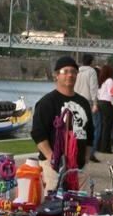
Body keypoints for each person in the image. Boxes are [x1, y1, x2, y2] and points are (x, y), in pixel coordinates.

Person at [30, 55, 93, 191]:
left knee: (79, 207)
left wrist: (86, 157)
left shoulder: (83, 102)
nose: (70, 75)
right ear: (57, 75)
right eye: (65, 71)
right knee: (53, 207)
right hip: (53, 167)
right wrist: (52, 158)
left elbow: (90, 131)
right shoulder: (46, 103)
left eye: (73, 72)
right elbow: (38, 133)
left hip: (78, 167)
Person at [73, 53, 100, 163]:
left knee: (77, 127)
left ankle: (75, 151)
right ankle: (90, 152)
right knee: (91, 128)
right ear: (91, 62)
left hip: (75, 100)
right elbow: (93, 88)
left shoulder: (77, 71)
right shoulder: (91, 72)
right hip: (87, 102)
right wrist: (95, 103)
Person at [96, 65, 113, 154]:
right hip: (107, 103)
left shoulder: (101, 81)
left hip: (101, 102)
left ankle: (100, 146)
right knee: (108, 126)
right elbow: (111, 93)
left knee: (103, 126)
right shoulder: (110, 81)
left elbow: (98, 93)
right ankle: (106, 148)